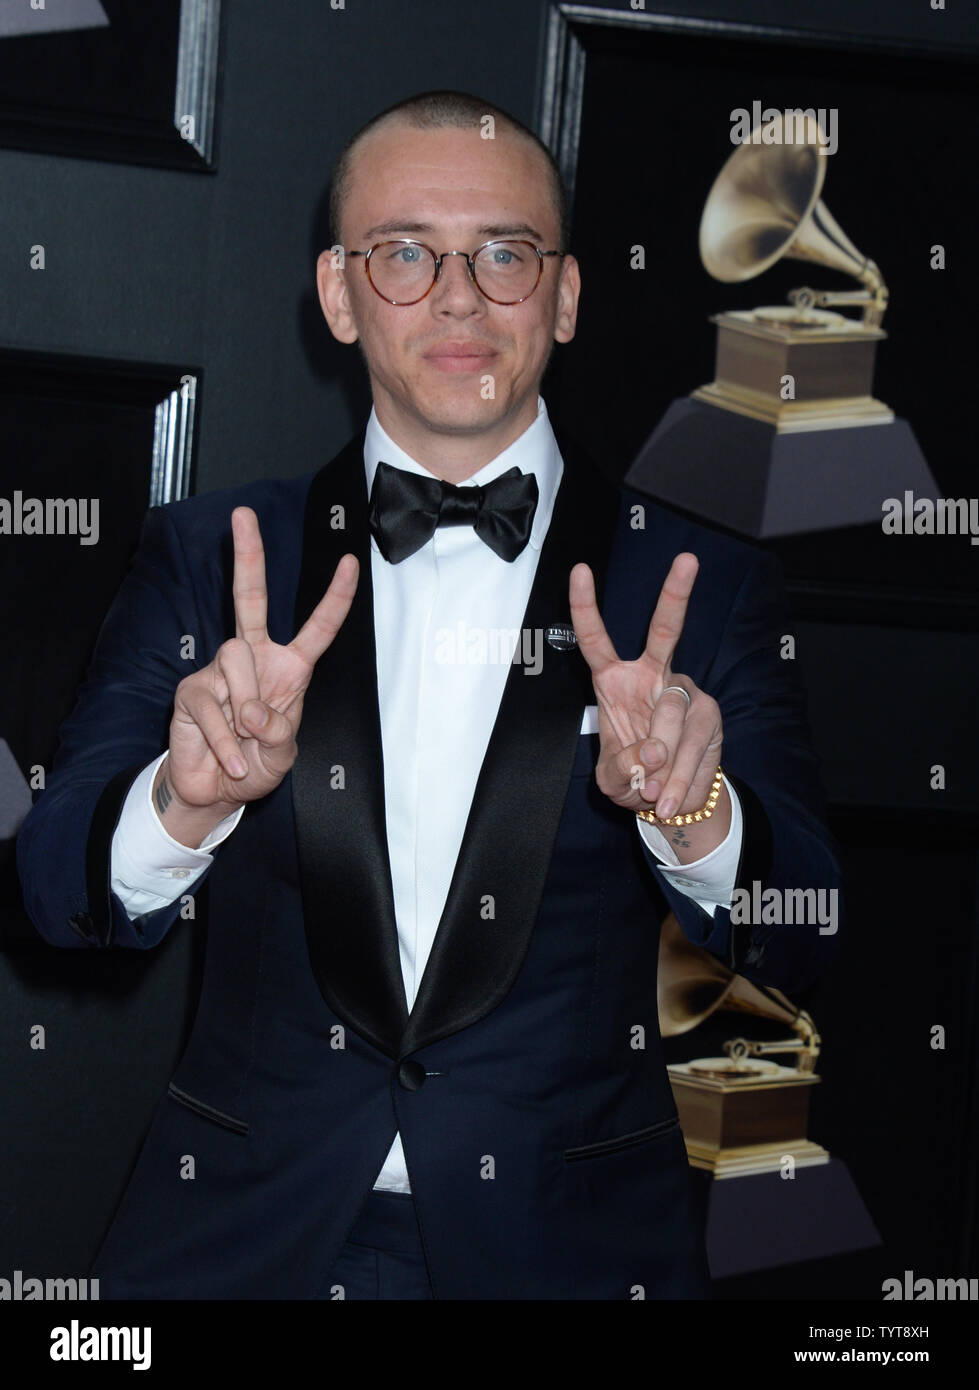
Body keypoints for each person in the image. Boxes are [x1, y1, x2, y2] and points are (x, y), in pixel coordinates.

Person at [17, 89, 841, 1300]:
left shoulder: (698, 585)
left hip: (570, 1251)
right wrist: (183, 806)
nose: (460, 297)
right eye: (405, 253)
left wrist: (693, 809)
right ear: (339, 293)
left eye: (504, 254)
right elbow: (52, 893)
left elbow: (807, 915)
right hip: (234, 1246)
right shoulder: (211, 554)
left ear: (563, 294)